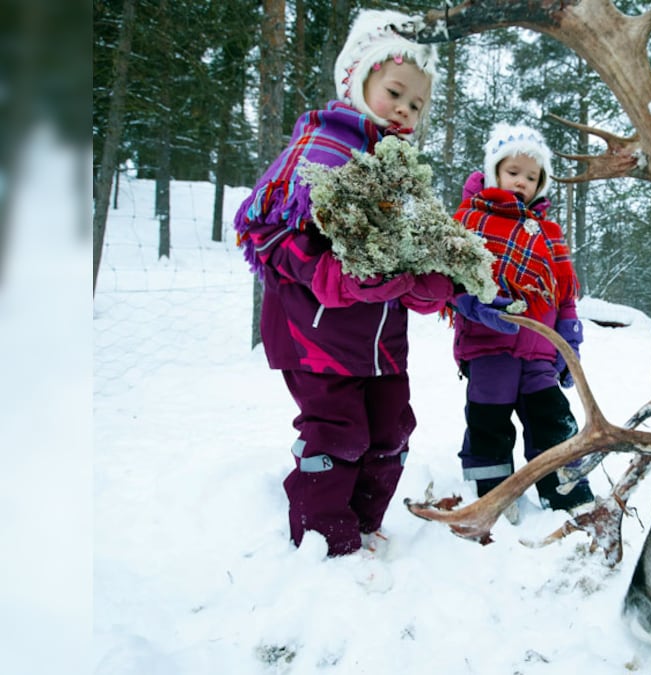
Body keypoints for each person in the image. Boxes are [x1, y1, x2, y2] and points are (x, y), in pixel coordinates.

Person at [233, 10, 454, 558]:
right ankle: (324, 543)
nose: (404, 110)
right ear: (358, 80)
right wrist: (323, 271)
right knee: (338, 433)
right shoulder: (320, 149)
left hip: (380, 342)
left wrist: (426, 284)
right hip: (316, 336)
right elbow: (264, 232)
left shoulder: (402, 178)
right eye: (394, 92)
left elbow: (408, 257)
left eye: (416, 104)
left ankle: (364, 525)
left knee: (390, 428)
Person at [450, 123, 595, 517]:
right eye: (513, 172)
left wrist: (570, 339)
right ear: (494, 171)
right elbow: (450, 280)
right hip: (489, 344)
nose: (522, 183)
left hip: (540, 351)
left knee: (551, 417)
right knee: (489, 419)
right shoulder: (470, 221)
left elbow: (564, 293)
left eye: (532, 177)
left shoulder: (548, 233)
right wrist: (471, 304)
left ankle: (565, 489)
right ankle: (494, 492)